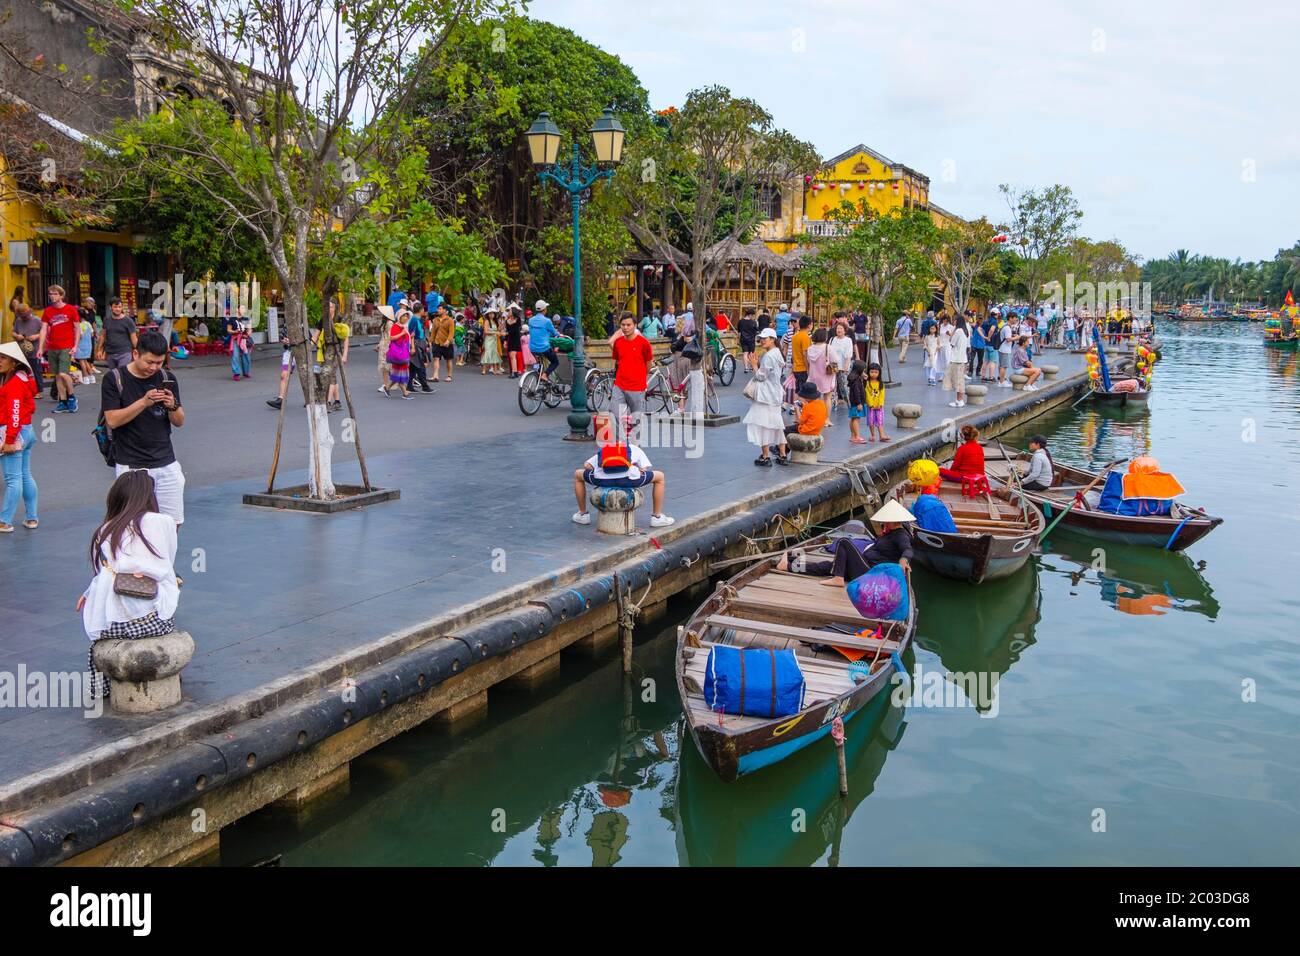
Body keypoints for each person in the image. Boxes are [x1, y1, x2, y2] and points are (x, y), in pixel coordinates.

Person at [77, 470, 180, 701]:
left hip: (108, 626)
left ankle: (99, 689)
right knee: (166, 602)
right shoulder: (163, 522)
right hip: (150, 623)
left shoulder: (104, 531)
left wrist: (88, 593)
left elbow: (103, 572)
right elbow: (167, 564)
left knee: (97, 645)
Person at [101, 331, 186, 529]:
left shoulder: (167, 378)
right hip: (131, 465)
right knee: (132, 526)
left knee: (173, 524)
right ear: (135, 354)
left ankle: (164, 560)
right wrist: (143, 402)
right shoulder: (114, 379)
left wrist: (172, 405)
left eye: (159, 362)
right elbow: (112, 420)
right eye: (150, 362)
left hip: (166, 462)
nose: (154, 368)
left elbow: (179, 421)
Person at [783, 502, 914, 586]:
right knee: (826, 566)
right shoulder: (890, 533)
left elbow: (907, 549)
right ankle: (788, 566)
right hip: (862, 567)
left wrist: (903, 560)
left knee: (844, 542)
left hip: (869, 572)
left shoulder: (900, 534)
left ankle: (838, 578)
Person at [572, 439, 674, 528]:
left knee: (578, 474)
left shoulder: (607, 448)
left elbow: (587, 465)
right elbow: (645, 468)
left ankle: (582, 514)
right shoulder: (634, 448)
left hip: (603, 480)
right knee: (660, 476)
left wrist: (602, 470)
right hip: (629, 479)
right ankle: (657, 517)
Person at [0, 342, 39, 533]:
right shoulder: (22, 379)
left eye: (3, 358)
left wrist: (9, 441)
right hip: (27, 430)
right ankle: (32, 518)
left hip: (15, 432)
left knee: (12, 478)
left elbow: (14, 414)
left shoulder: (13, 384)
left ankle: (5, 521)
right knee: (24, 474)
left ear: (14, 363)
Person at [744, 328, 788, 466]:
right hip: (775, 394)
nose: (762, 341)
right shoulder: (778, 354)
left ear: (772, 339)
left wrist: (754, 365)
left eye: (765, 338)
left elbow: (761, 376)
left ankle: (765, 456)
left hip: (766, 395)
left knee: (763, 425)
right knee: (777, 425)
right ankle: (782, 455)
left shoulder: (769, 356)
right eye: (761, 338)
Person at [608, 312, 653, 438]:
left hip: (637, 387)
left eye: (628, 325)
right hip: (620, 385)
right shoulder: (618, 343)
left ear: (635, 326)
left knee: (636, 420)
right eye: (623, 325)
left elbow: (649, 363)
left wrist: (641, 377)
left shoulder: (644, 343)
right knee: (613, 413)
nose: (625, 327)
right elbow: (618, 360)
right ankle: (620, 443)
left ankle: (635, 448)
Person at [37, 284, 80, 412]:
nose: (52, 296)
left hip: (66, 346)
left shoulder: (71, 309)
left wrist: (75, 346)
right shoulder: (47, 311)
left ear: (61, 295)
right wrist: (40, 348)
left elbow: (77, 328)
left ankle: (72, 397)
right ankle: (62, 401)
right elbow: (43, 329)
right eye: (50, 293)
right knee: (57, 376)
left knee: (63, 373)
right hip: (52, 347)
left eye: (55, 293)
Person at [9, 302, 45, 397]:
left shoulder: (37, 320)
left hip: (35, 349)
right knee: (22, 370)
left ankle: (38, 391)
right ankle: (24, 390)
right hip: (21, 349)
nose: (24, 317)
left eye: (25, 315)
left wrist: (36, 336)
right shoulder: (18, 320)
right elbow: (13, 332)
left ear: (29, 311)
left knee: (36, 370)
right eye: (22, 316)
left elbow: (46, 331)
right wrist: (17, 336)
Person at [99, 298, 138, 372]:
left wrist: (139, 351)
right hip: (110, 353)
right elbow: (103, 335)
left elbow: (134, 338)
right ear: (111, 308)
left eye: (120, 307)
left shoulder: (128, 321)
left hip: (125, 353)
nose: (118, 309)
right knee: (113, 375)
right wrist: (100, 350)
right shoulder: (107, 320)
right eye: (115, 307)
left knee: (122, 374)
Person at [383, 312, 414, 399]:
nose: (405, 317)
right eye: (403, 316)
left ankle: (387, 387)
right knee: (401, 372)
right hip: (398, 354)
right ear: (399, 317)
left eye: (406, 316)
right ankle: (405, 393)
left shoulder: (404, 327)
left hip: (403, 354)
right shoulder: (396, 326)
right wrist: (403, 333)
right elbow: (392, 338)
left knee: (397, 373)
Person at [528, 300, 559, 382]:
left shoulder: (530, 320)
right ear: (545, 309)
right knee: (555, 362)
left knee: (538, 361)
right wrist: (558, 335)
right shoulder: (547, 321)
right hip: (544, 348)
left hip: (532, 348)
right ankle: (545, 375)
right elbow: (554, 333)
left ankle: (537, 374)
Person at [406, 302, 433, 392]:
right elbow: (412, 335)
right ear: (420, 310)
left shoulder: (418, 319)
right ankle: (425, 386)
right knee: (420, 366)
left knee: (413, 367)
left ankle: (409, 385)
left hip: (420, 343)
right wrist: (412, 347)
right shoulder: (414, 320)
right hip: (417, 344)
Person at [266, 332, 296, 411]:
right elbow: (285, 343)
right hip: (289, 352)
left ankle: (310, 399)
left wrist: (294, 342)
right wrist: (285, 341)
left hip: (301, 352)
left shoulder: (301, 324)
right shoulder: (287, 325)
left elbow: (309, 340)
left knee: (305, 376)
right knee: (284, 375)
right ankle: (281, 400)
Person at [945, 314, 969, 407]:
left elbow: (952, 342)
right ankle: (958, 400)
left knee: (958, 381)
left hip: (957, 358)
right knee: (959, 379)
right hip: (962, 358)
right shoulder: (965, 331)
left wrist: (953, 331)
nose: (953, 322)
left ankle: (959, 400)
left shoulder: (958, 331)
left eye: (954, 320)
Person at [829, 322, 854, 407]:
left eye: (840, 328)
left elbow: (848, 354)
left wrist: (846, 366)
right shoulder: (832, 339)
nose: (838, 330)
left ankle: (849, 402)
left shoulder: (848, 340)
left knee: (843, 385)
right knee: (833, 385)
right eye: (837, 328)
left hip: (843, 366)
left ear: (845, 330)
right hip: (833, 366)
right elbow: (829, 352)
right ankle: (833, 402)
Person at [863, 361, 889, 443]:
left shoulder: (880, 383)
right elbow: (867, 394)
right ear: (868, 372)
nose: (874, 374)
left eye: (876, 372)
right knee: (871, 420)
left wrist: (880, 404)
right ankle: (873, 435)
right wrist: (871, 404)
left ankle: (882, 435)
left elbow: (882, 394)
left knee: (879, 420)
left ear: (879, 373)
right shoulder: (867, 383)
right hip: (871, 406)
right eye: (872, 372)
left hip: (879, 406)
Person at [430, 303, 456, 382]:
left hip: (447, 343)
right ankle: (435, 375)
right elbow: (433, 332)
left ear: (445, 310)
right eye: (438, 309)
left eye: (440, 309)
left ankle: (449, 376)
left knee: (448, 360)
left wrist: (448, 340)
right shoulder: (435, 320)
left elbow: (451, 332)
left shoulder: (450, 320)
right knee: (436, 358)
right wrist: (431, 341)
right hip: (437, 342)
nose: (438, 310)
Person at [846, 360, 867, 445]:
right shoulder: (856, 381)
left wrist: (864, 379)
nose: (864, 372)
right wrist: (859, 403)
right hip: (856, 403)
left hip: (853, 402)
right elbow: (857, 392)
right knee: (856, 419)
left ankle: (853, 436)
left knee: (853, 418)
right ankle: (857, 436)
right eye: (863, 370)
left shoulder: (854, 378)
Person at [226, 312, 252, 380]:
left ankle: (246, 372)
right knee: (235, 356)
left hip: (244, 339)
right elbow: (228, 330)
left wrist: (248, 334)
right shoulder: (232, 319)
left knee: (246, 356)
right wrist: (235, 331)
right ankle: (236, 373)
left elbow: (249, 329)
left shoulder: (245, 319)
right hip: (235, 339)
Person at [790, 315, 812, 391]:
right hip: (803, 368)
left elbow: (793, 353)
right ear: (809, 325)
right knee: (804, 391)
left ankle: (795, 403)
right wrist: (808, 368)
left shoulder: (795, 336)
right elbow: (805, 354)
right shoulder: (805, 337)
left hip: (796, 367)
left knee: (798, 390)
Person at [74, 309, 97, 384]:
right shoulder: (88, 324)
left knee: (81, 361)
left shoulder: (80, 325)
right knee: (86, 361)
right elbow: (92, 334)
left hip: (81, 345)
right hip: (88, 345)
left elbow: (79, 336)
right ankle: (91, 377)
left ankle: (85, 377)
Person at [480, 309, 503, 375]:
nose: (491, 315)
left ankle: (495, 369)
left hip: (494, 339)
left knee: (494, 353)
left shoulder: (495, 321)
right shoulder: (487, 321)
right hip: (488, 339)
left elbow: (499, 330)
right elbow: (486, 332)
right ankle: (484, 369)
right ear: (488, 314)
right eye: (490, 313)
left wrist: (501, 326)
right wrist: (495, 332)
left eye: (492, 313)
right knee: (487, 352)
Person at [737, 306, 759, 374]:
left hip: (743, 339)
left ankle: (746, 368)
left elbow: (739, 332)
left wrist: (738, 340)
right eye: (753, 315)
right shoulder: (753, 322)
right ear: (750, 315)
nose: (753, 317)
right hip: (751, 340)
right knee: (751, 353)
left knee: (745, 353)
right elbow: (756, 332)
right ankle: (752, 367)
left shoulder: (740, 321)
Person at [504, 305, 524, 378]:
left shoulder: (518, 319)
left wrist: (507, 333)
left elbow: (516, 330)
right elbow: (507, 331)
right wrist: (505, 341)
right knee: (511, 356)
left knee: (513, 355)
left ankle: (514, 372)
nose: (508, 312)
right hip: (510, 339)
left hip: (515, 339)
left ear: (513, 312)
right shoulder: (507, 321)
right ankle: (514, 372)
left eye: (509, 311)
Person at [996, 316, 1015, 387]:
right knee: (1004, 366)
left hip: (1001, 348)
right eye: (1015, 318)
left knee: (1001, 365)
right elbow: (1008, 339)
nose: (1016, 320)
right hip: (1005, 349)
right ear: (1010, 318)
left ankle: (1002, 380)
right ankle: (1002, 382)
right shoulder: (1007, 328)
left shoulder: (1005, 325)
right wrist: (1017, 337)